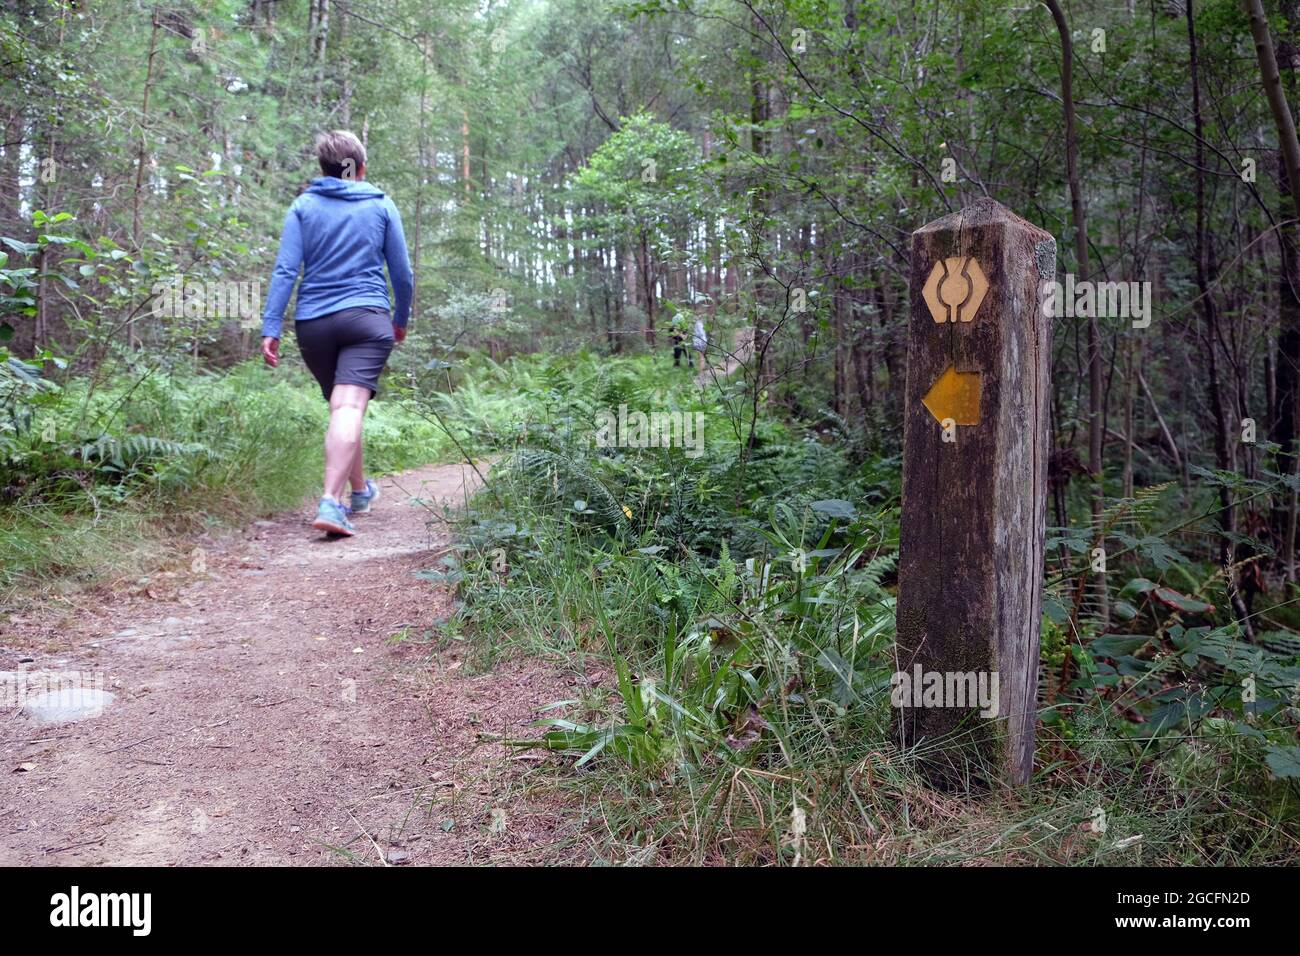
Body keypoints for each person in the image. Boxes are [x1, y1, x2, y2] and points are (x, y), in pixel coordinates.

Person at [260, 130, 413, 538]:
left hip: (314, 325)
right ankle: (331, 500)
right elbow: (402, 273)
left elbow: (285, 271)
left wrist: (270, 327)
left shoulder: (304, 206)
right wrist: (401, 317)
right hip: (366, 319)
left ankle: (360, 491)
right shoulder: (380, 204)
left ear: (323, 169)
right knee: (348, 407)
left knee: (344, 406)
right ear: (360, 168)